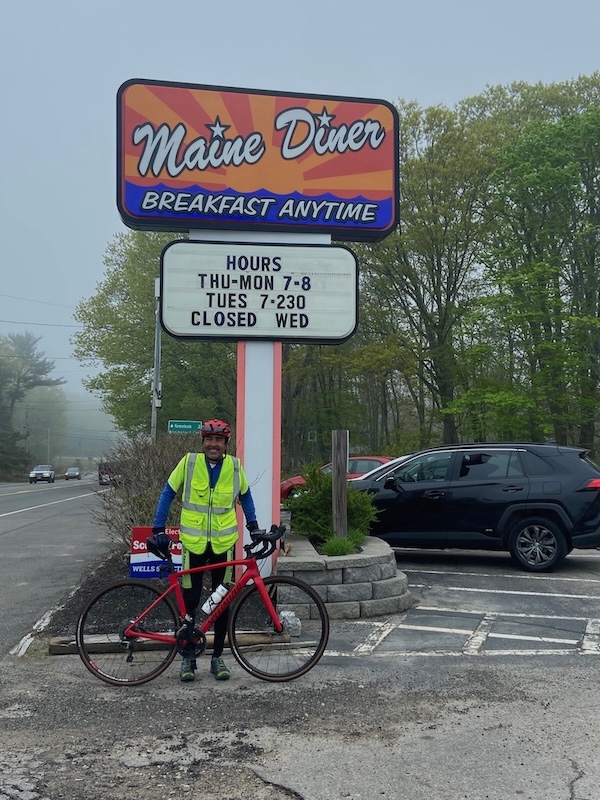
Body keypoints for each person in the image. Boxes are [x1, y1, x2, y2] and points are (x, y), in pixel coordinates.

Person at [151, 418, 259, 683]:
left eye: (219, 440)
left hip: (223, 546)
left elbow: (245, 495)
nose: (214, 444)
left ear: (225, 444)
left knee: (222, 603)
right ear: (203, 442)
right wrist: (158, 529)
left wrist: (254, 526)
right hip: (193, 544)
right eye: (209, 440)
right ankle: (188, 659)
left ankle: (217, 657)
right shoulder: (189, 463)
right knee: (191, 599)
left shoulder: (234, 466)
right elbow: (168, 492)